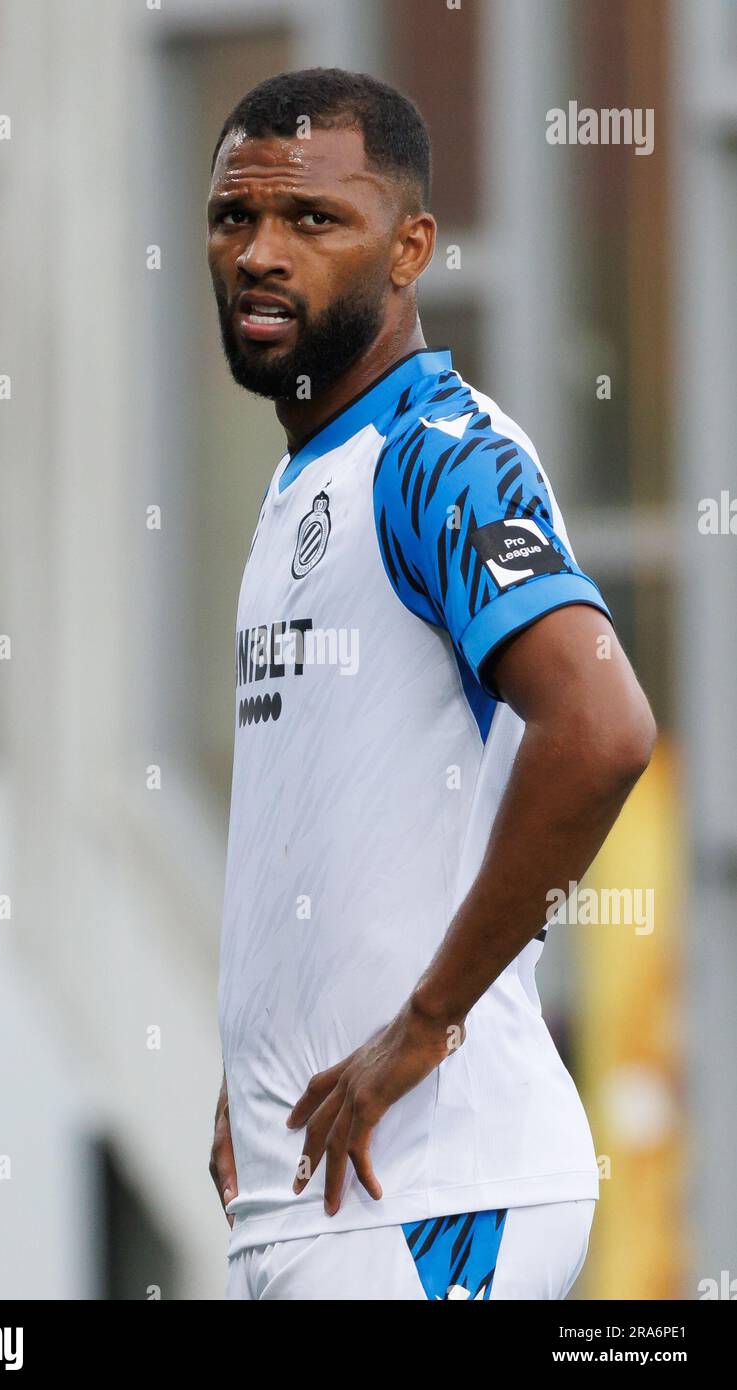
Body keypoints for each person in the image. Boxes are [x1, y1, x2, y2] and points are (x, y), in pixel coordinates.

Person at [206, 67, 656, 1301]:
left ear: (410, 248)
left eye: (311, 220)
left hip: (437, 1196)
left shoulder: (440, 458)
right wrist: (250, 1071)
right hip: (323, 1195)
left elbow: (603, 725)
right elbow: (335, 828)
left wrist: (425, 1023)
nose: (258, 253)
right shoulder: (307, 477)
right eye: (234, 216)